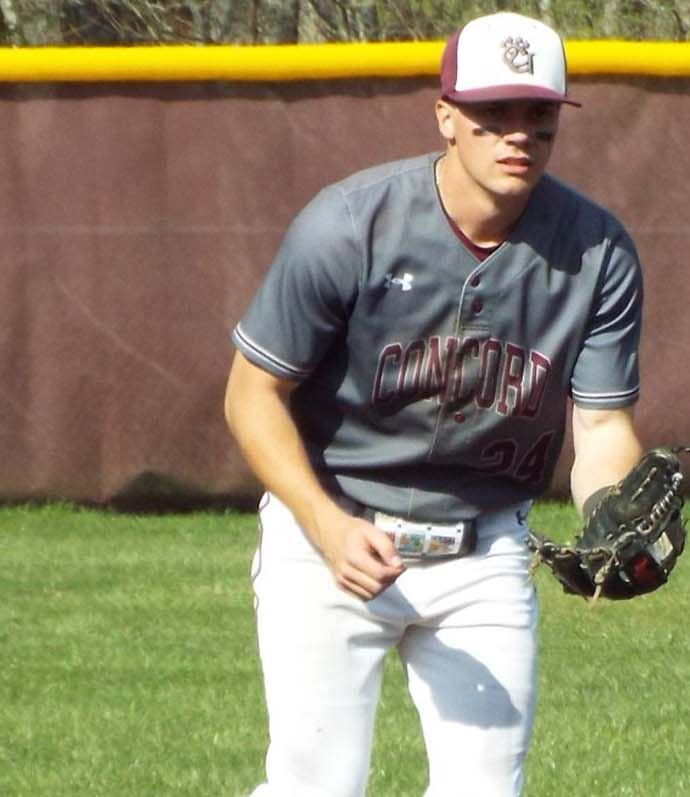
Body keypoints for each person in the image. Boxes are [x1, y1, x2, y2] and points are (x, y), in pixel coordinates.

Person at [223, 11, 649, 796]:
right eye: (493, 112)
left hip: (483, 549)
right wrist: (322, 522)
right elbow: (252, 393)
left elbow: (601, 427)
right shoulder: (348, 225)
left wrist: (613, 512)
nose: (517, 133)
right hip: (330, 530)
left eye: (538, 114)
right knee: (316, 784)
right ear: (446, 115)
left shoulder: (598, 251)